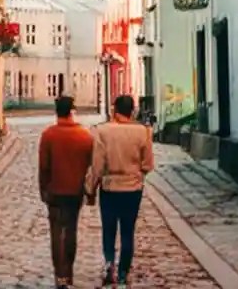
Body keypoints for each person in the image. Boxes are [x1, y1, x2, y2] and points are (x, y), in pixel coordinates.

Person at [85, 94, 154, 288]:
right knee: (127, 230)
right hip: (132, 188)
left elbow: (97, 165)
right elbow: (148, 164)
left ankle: (109, 263)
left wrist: (90, 188)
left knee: (108, 229)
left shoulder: (102, 131)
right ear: (132, 111)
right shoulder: (143, 132)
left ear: (115, 110)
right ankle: (123, 273)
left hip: (109, 187)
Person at [38, 95, 94, 289]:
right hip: (75, 192)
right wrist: (90, 192)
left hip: (54, 192)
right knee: (70, 230)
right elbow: (91, 168)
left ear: (56, 112)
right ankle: (68, 273)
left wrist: (43, 189)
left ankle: (59, 274)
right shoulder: (84, 135)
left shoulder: (48, 135)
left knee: (56, 232)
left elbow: (44, 167)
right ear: (72, 111)